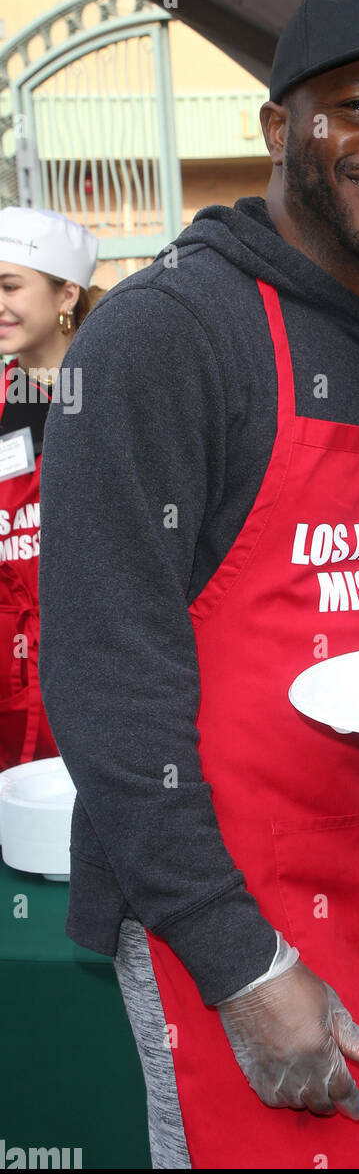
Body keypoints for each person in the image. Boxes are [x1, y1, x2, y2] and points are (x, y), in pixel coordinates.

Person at [38, 0, 359, 1170]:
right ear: (278, 127)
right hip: (241, 926)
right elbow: (104, 670)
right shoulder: (169, 333)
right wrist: (239, 961)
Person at [0, 208, 98, 769]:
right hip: (12, 671)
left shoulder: (112, 389)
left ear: (66, 295)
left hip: (95, 658)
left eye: (11, 285)